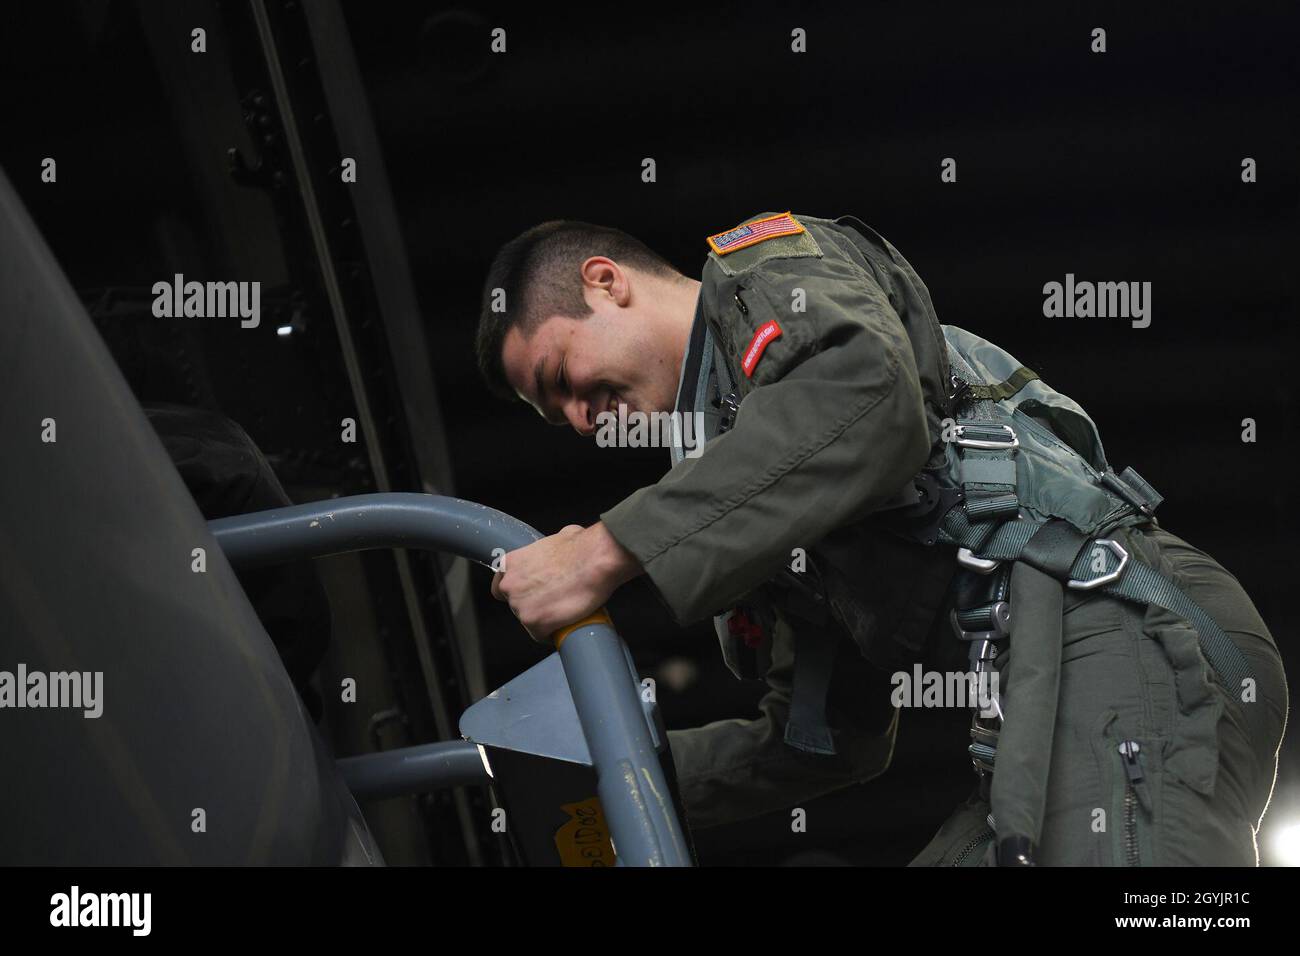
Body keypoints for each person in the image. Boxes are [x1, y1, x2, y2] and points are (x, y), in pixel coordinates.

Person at [475, 211, 1287, 865]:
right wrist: (614, 779)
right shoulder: (751, 491)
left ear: (605, 283)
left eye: (560, 379)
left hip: (1124, 626)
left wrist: (605, 551)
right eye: (558, 418)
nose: (581, 422)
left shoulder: (759, 275)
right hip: (1035, 703)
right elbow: (827, 738)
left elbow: (867, 399)